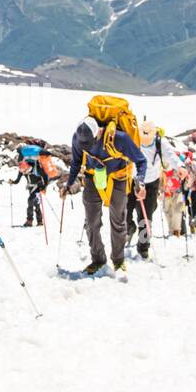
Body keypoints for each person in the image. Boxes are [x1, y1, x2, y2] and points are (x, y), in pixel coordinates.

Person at [61, 99, 146, 275]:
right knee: (91, 222)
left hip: (118, 178)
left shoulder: (119, 138)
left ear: (98, 131)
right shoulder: (78, 138)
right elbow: (76, 162)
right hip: (93, 177)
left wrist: (141, 180)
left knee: (118, 221)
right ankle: (98, 259)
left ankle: (118, 259)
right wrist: (68, 184)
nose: (87, 146)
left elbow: (140, 160)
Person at [127, 121, 181, 258]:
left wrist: (180, 167)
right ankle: (129, 227)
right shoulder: (133, 139)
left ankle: (143, 247)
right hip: (132, 181)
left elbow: (171, 155)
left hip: (150, 183)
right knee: (124, 211)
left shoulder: (160, 143)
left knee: (145, 218)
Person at [12, 158, 49, 226]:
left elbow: (46, 177)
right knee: (36, 204)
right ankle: (40, 221)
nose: (23, 173)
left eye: (24, 171)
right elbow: (17, 180)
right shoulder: (22, 169)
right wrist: (13, 182)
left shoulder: (37, 169)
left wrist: (44, 187)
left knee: (30, 200)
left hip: (38, 187)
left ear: (28, 168)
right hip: (31, 187)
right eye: (22, 172)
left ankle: (29, 220)